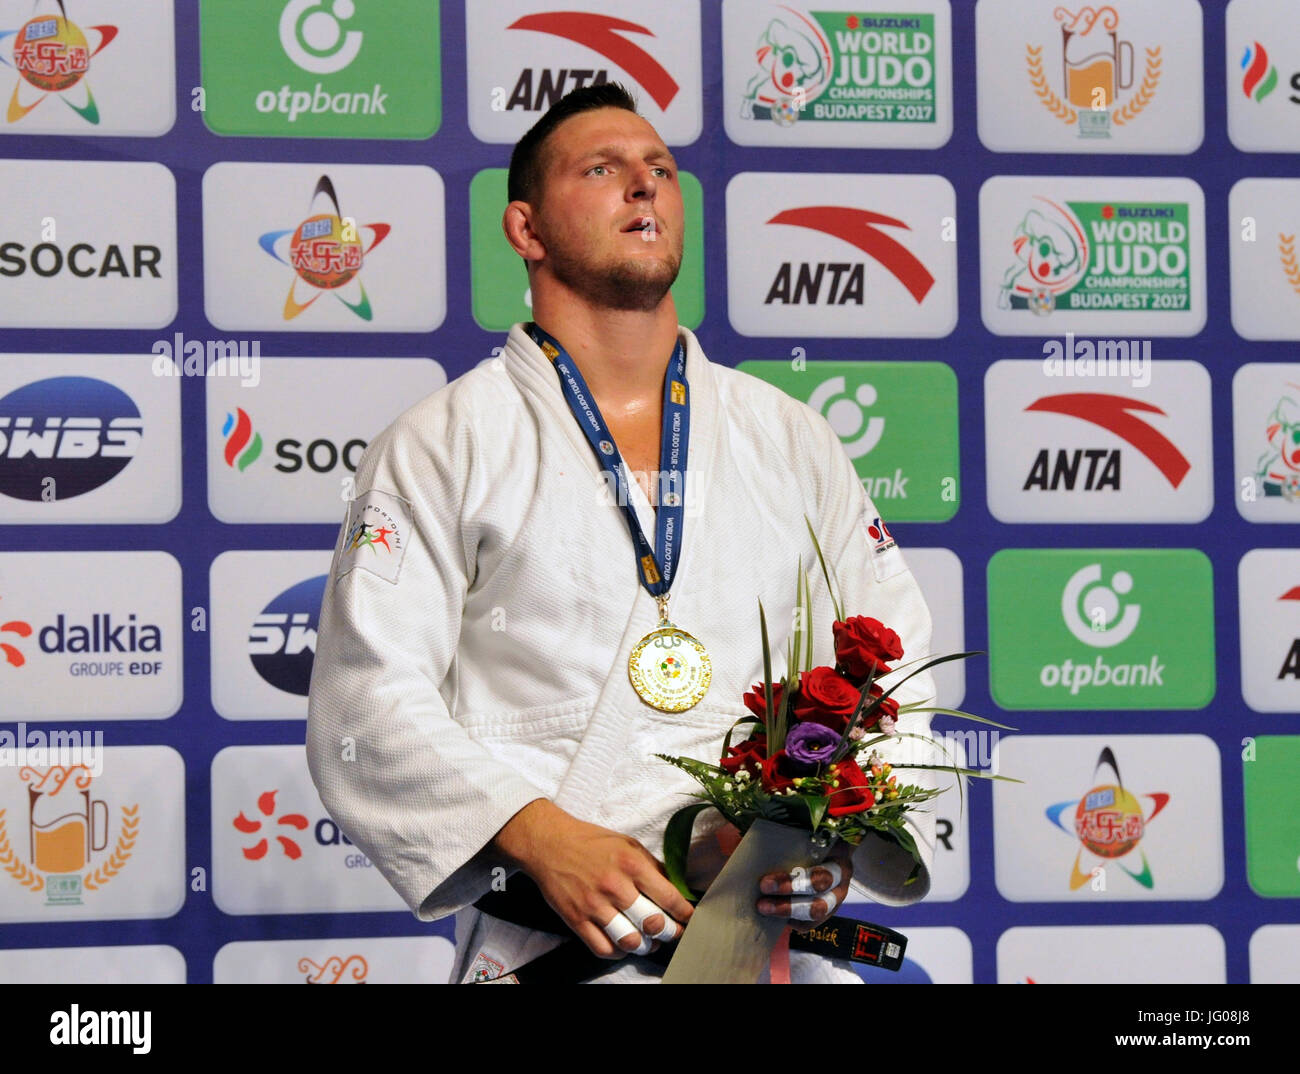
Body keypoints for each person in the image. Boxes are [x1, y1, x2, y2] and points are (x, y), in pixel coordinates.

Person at [306, 83, 937, 984]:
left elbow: (893, 652)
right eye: (602, 170)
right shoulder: (444, 441)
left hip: (768, 955)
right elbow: (366, 696)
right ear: (525, 230)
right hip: (554, 952)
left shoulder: (790, 436)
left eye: (660, 171)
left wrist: (827, 833)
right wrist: (539, 832)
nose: (644, 187)